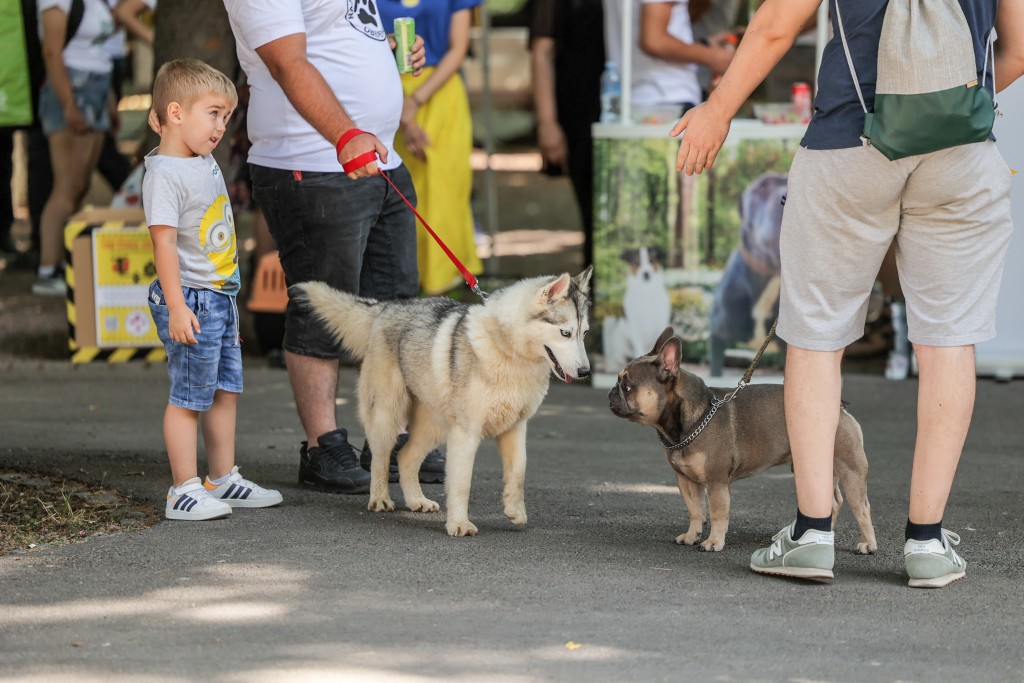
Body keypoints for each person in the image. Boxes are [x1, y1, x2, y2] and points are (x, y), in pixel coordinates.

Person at [671, 0, 1023, 588]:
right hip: (962, 153)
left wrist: (718, 108)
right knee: (948, 341)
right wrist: (947, 113)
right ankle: (927, 544)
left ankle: (812, 534)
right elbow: (1017, 48)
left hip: (847, 146)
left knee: (815, 336)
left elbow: (777, 23)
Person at [222, 0, 444, 494]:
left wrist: (385, 53)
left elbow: (339, 34)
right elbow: (286, 61)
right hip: (312, 158)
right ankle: (322, 446)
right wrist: (344, 133)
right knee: (326, 302)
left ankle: (390, 438)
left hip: (379, 157)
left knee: (396, 301)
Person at [144, 58, 283, 521]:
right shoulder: (164, 173)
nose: (222, 126)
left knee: (225, 389)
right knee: (189, 394)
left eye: (227, 116)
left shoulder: (202, 162)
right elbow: (163, 245)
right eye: (214, 114)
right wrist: (179, 306)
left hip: (219, 296)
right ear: (177, 114)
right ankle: (182, 489)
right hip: (190, 297)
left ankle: (221, 478)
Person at [378, 0, 483, 296]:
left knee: (445, 197)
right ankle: (400, 290)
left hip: (440, 96)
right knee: (398, 200)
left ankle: (444, 293)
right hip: (384, 93)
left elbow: (458, 49)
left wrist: (415, 101)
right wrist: (401, 110)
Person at [34, 0, 116, 296]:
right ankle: (47, 269)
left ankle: (69, 261)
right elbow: (51, 51)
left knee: (81, 185)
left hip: (96, 87)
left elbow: (100, 50)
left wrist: (109, 101)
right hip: (71, 88)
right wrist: (69, 103)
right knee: (66, 186)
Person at [529, 0, 604, 270]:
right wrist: (547, 123)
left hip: (618, 104)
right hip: (578, 108)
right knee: (594, 214)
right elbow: (541, 52)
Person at [602, 0, 735, 116]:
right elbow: (654, 40)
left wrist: (704, 44)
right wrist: (712, 57)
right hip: (668, 97)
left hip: (630, 99)